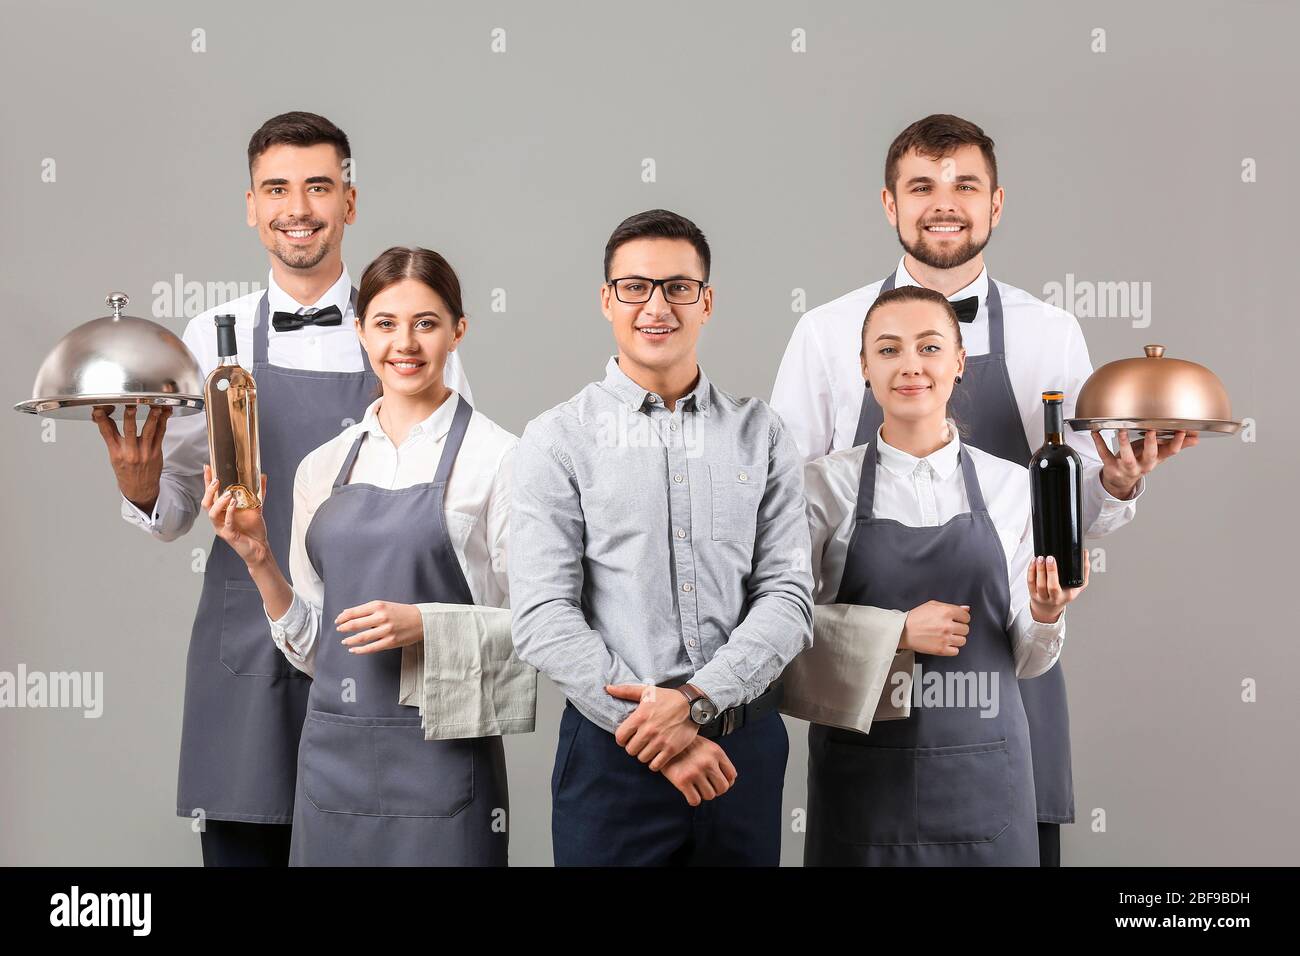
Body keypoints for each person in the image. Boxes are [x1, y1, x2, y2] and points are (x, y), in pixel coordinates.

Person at [771, 114, 1192, 865]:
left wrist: (1118, 486)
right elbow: (781, 532)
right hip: (870, 690)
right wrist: (886, 633)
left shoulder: (1051, 330)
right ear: (888, 203)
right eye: (922, 185)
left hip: (1011, 657)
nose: (944, 202)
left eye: (966, 185)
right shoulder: (823, 330)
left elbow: (1067, 521)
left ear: (996, 203)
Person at [91, 112, 471, 866]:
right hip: (249, 653)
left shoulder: (405, 327)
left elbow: (454, 487)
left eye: (318, 186)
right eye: (277, 189)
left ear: (349, 203)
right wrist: (142, 492)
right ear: (252, 206)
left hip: (371, 642)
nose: (297, 208)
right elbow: (179, 507)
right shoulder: (211, 335)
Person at [509, 209, 813, 866]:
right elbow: (541, 615)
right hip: (612, 760)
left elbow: (789, 595)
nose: (657, 306)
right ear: (606, 299)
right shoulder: (557, 439)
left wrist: (696, 702)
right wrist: (659, 730)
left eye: (678, 287)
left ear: (707, 302)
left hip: (744, 753)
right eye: (635, 287)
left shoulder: (761, 435)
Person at [203, 246, 514, 866]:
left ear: (458, 330)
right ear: (360, 331)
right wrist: (259, 557)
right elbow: (316, 647)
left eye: (426, 322)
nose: (405, 343)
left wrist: (424, 625)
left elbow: (538, 627)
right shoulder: (323, 466)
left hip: (445, 763)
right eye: (385, 323)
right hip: (334, 764)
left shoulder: (501, 457)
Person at [803, 285, 1088, 865]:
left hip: (986, 780)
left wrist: (1046, 614)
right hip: (865, 789)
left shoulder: (1011, 486)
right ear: (864, 368)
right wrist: (896, 633)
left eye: (929, 347)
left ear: (958, 362)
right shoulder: (821, 487)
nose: (910, 366)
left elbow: (1028, 661)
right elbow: (782, 637)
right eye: (888, 350)